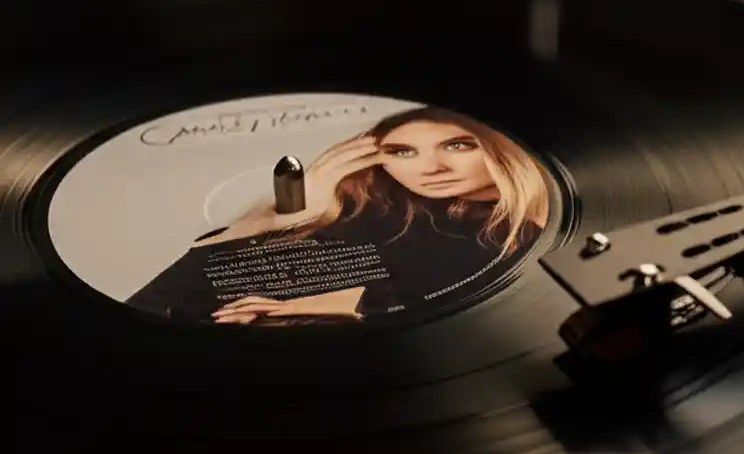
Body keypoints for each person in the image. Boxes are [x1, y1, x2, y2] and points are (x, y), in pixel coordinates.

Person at [126, 106, 550, 325]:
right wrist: (281, 218)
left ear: (498, 146)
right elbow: (144, 312)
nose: (431, 168)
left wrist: (324, 303)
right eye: (402, 152)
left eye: (458, 145)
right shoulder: (384, 216)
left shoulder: (536, 221)